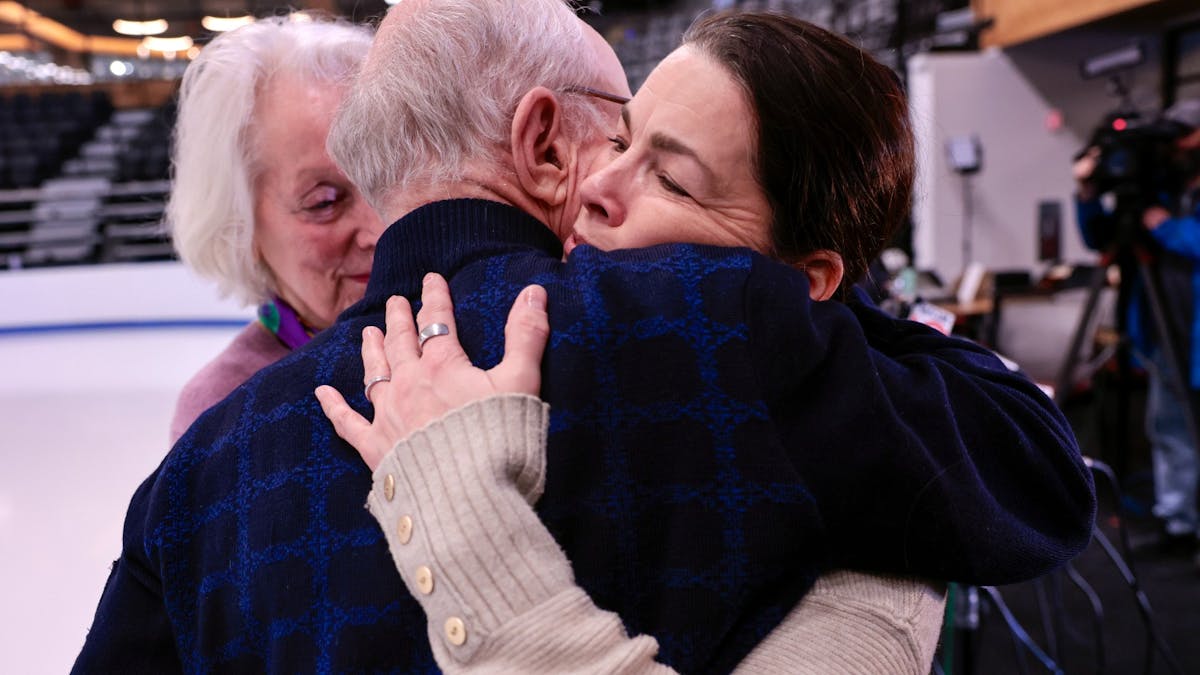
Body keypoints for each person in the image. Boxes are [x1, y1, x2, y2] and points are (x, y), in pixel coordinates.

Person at [74, 3, 1094, 674]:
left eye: (664, 162)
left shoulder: (199, 475)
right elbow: (1038, 473)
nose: (613, 179)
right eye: (621, 129)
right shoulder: (714, 329)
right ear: (545, 139)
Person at [165, 15, 382, 442]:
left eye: (388, 181)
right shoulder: (220, 415)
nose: (379, 227)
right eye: (324, 202)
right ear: (240, 227)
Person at [1075, 98, 1200, 564]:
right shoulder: (1162, 189)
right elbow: (1103, 236)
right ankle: (1179, 522)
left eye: (1184, 135)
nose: (1175, 147)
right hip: (1169, 331)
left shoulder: (1168, 206)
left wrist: (1165, 227)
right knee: (1169, 429)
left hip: (1194, 329)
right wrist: (1088, 194)